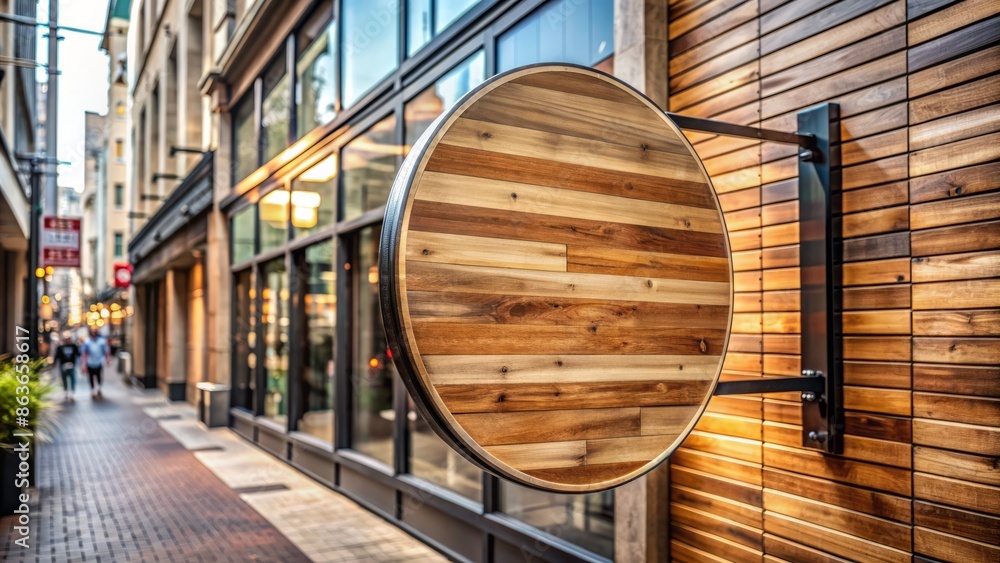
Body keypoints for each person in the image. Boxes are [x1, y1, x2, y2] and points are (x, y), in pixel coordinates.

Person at [81, 328, 111, 398]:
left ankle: (99, 388)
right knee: (91, 377)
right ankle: (92, 389)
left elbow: (106, 351)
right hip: (90, 362)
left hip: (99, 362)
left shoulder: (102, 341)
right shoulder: (87, 341)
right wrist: (83, 364)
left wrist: (108, 360)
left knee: (99, 376)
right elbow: (84, 354)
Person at [53, 333, 80, 402]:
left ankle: (72, 392)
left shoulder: (73, 346)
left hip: (71, 365)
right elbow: (57, 356)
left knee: (72, 378)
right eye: (66, 339)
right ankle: (66, 391)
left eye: (69, 339)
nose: (68, 340)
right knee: (64, 379)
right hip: (63, 365)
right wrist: (54, 363)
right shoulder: (60, 347)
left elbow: (78, 354)